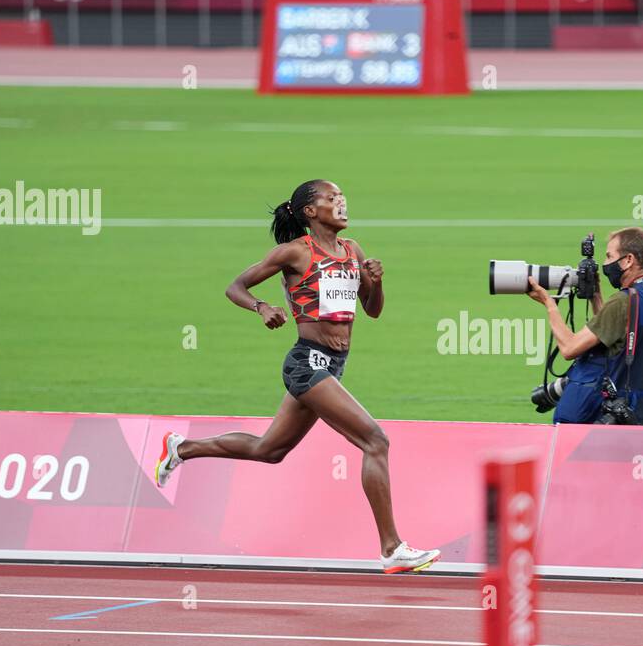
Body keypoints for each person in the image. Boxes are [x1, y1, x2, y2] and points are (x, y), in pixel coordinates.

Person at [153, 179, 439, 574]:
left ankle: (181, 448)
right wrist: (261, 307)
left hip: (333, 365)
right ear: (310, 211)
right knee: (375, 440)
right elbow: (235, 286)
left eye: (342, 196)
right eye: (331, 198)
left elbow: (372, 310)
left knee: (269, 450)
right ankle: (392, 548)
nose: (341, 202)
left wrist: (376, 281)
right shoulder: (295, 253)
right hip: (306, 364)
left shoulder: (353, 250)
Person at [526, 226, 643, 426]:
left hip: (624, 415)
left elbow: (569, 348)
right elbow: (617, 332)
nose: (605, 263)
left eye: (610, 256)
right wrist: (596, 296)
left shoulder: (623, 301)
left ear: (628, 260)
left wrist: (549, 304)